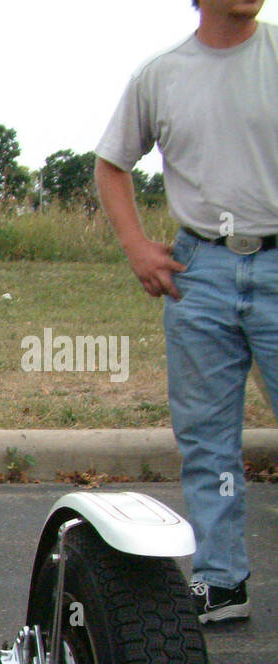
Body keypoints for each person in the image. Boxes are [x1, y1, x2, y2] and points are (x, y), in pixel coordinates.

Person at [96, 0, 278, 623]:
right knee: (207, 438)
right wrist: (137, 248)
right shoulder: (162, 75)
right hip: (201, 272)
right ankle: (222, 582)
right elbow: (112, 163)